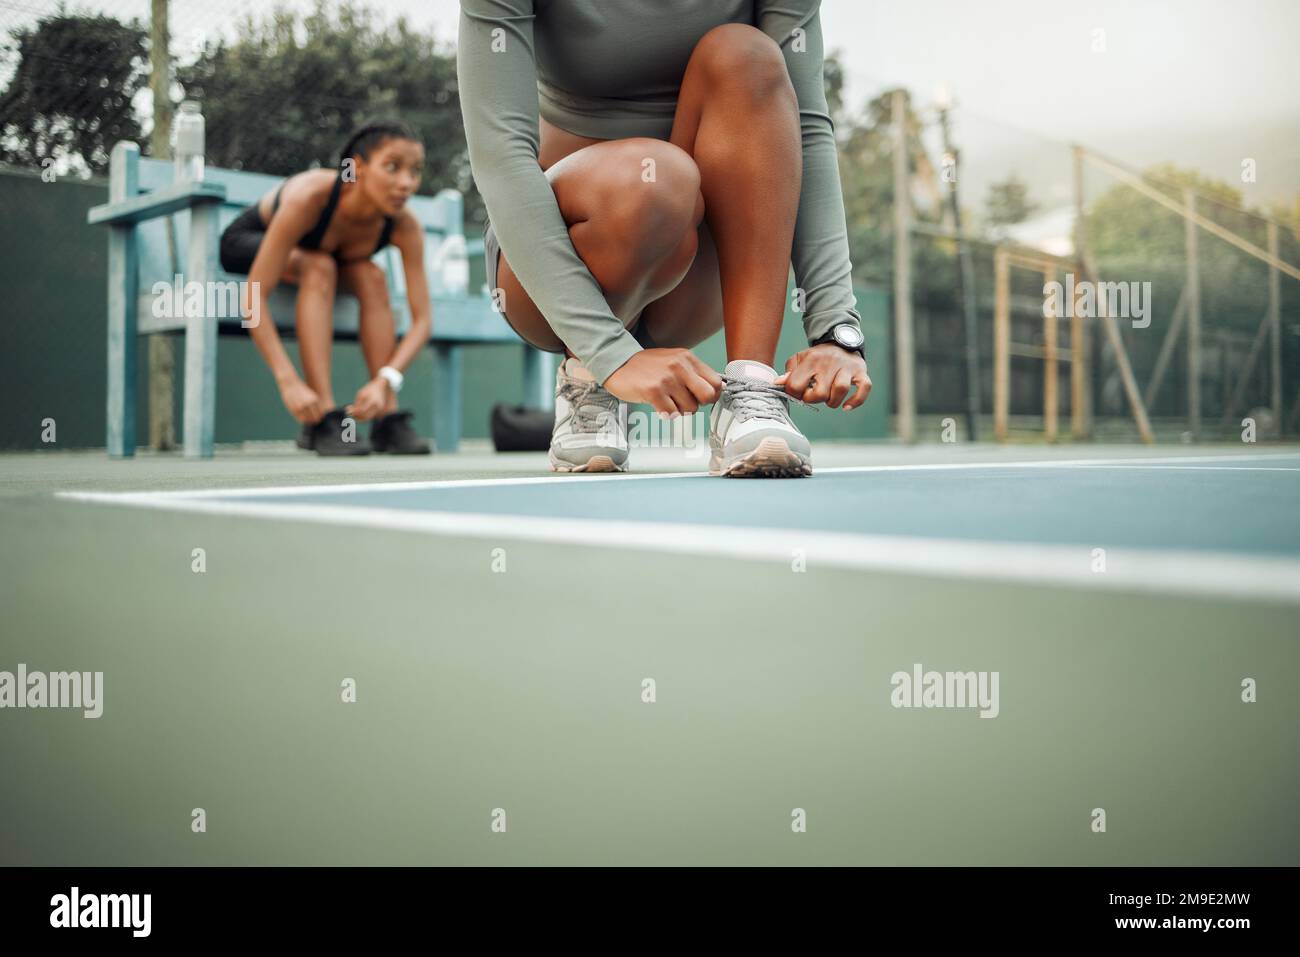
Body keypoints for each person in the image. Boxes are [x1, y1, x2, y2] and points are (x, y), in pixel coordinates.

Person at [457, 0, 871, 476]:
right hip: (548, 276)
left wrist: (836, 331)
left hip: (692, 281)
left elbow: (806, 129)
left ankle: (750, 389)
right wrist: (610, 355)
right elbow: (500, 152)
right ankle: (586, 383)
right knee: (656, 181)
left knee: (746, 54)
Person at [221, 118, 433, 455]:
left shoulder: (404, 225)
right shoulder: (310, 198)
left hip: (331, 260)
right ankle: (320, 419)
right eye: (392, 167)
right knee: (318, 265)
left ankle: (386, 417)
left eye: (415, 171)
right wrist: (288, 381)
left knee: (373, 276)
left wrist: (385, 380)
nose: (406, 183)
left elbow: (423, 320)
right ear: (358, 168)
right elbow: (254, 294)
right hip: (249, 242)